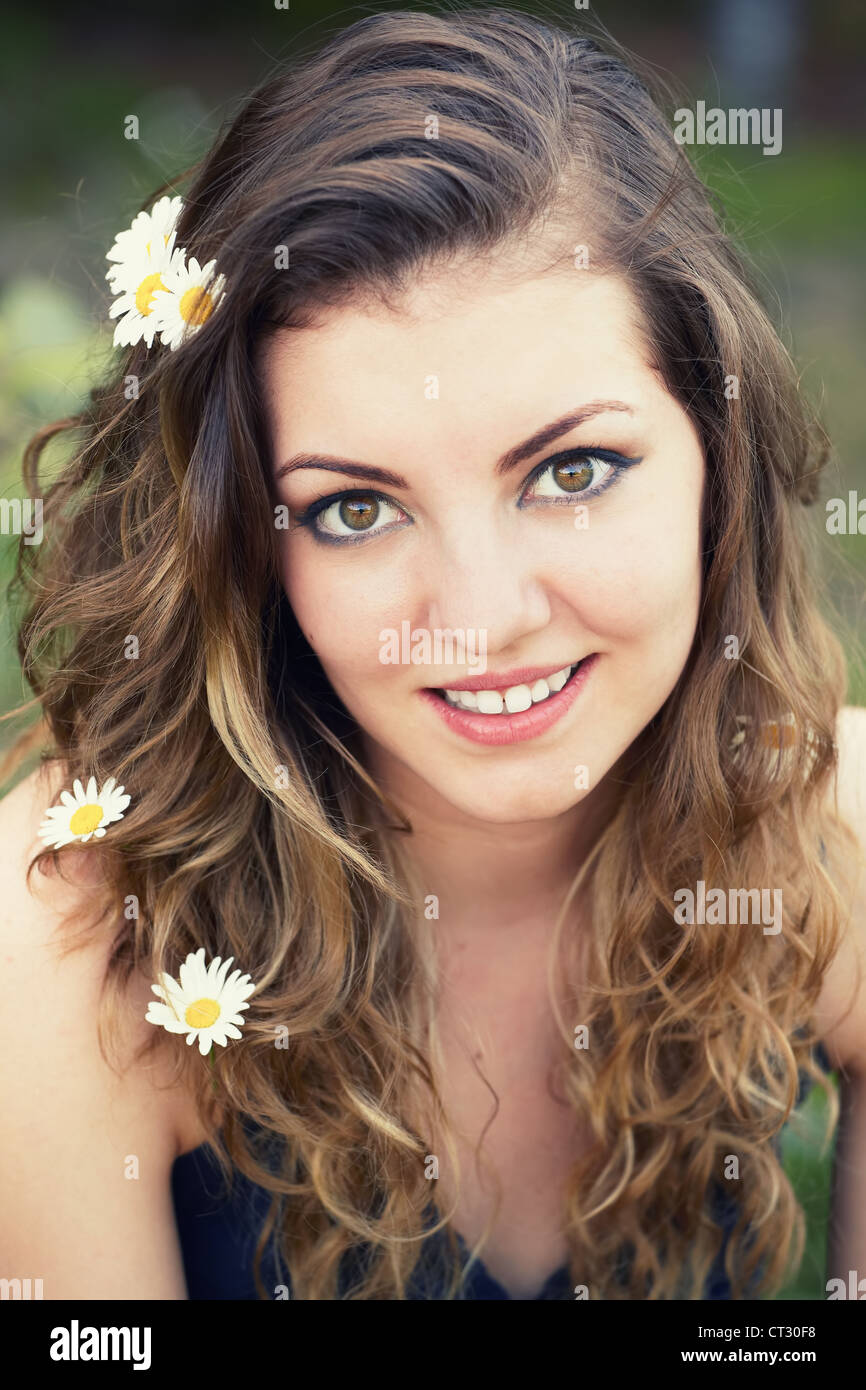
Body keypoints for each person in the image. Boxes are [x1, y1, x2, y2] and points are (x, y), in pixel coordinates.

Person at [0, 7, 863, 1301]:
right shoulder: (75, 940)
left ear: (715, 464)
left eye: (572, 470)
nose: (479, 611)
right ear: (246, 543)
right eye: (355, 507)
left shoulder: (825, 833)